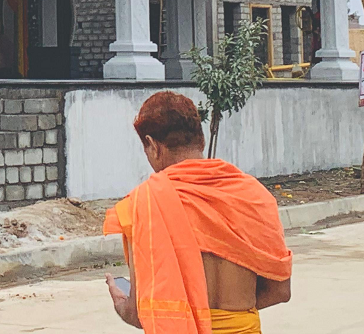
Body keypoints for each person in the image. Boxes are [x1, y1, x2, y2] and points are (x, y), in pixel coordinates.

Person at [105, 91, 292, 334]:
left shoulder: (143, 204)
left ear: (152, 145)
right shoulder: (254, 196)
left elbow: (141, 314)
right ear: (201, 139)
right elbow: (280, 291)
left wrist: (121, 302)